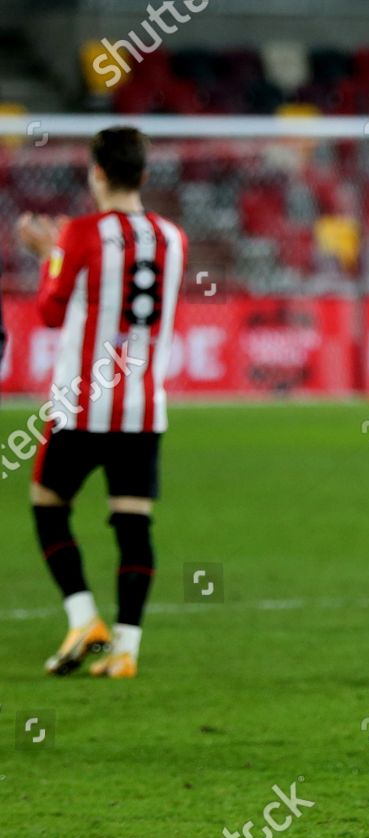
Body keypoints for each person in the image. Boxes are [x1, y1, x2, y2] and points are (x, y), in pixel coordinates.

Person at [16, 125, 187, 680]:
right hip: (142, 409)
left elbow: (48, 311)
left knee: (47, 504)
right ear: (142, 175)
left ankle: (84, 616)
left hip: (82, 405)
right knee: (133, 521)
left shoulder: (83, 234)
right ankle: (126, 648)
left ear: (95, 172)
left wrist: (50, 257)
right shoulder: (173, 238)